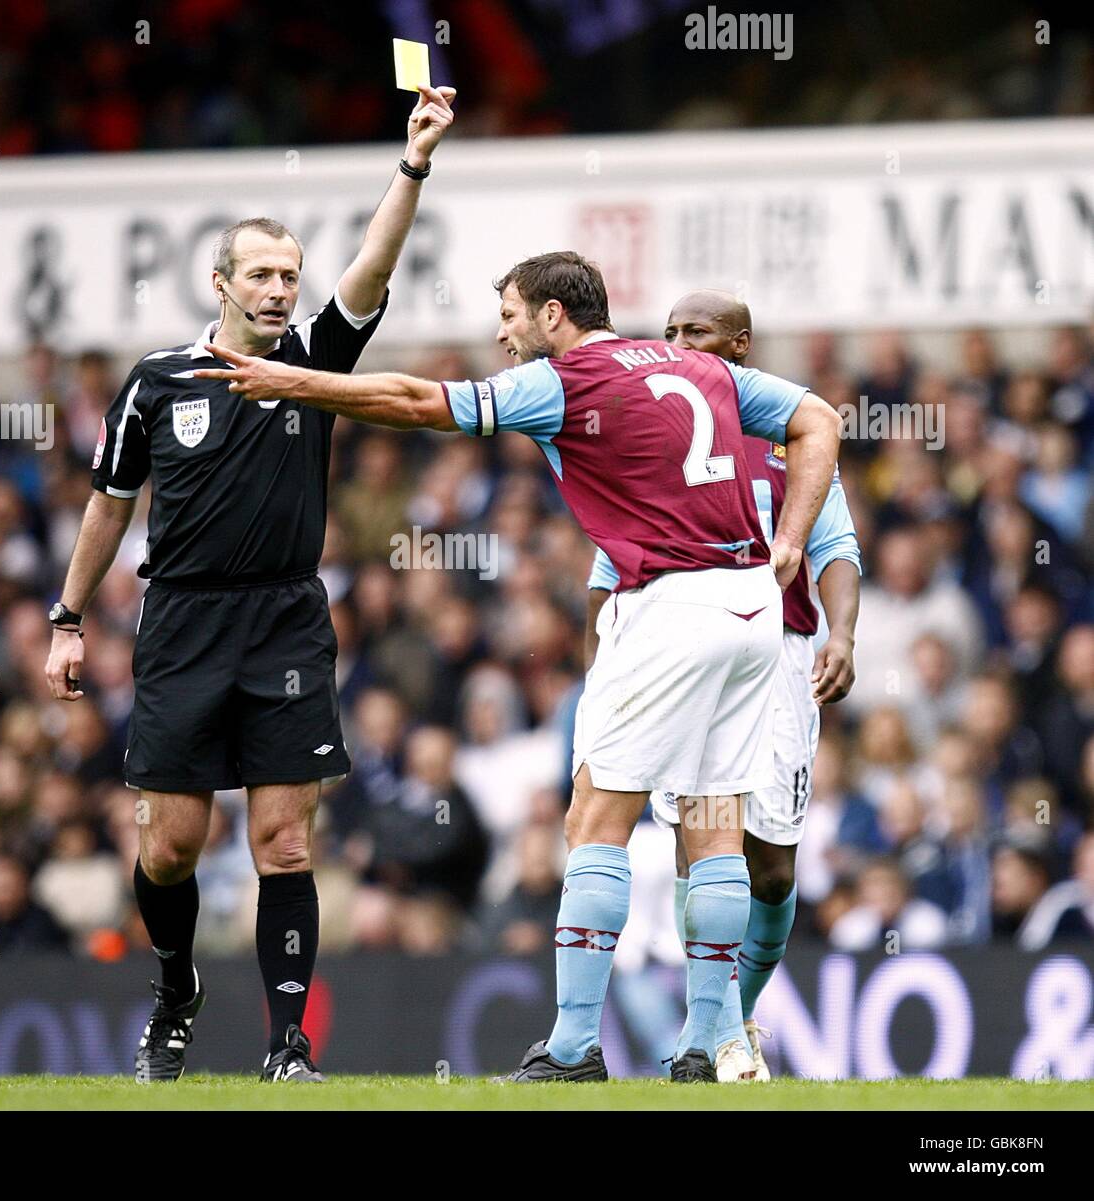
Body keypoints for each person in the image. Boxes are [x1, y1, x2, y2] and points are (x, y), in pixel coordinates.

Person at [193, 250, 842, 1082]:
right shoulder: (690, 362)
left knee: (593, 822)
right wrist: (788, 539)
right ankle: (702, 1046)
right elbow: (818, 417)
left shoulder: (567, 378)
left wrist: (298, 383)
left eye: (508, 316)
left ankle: (572, 1047)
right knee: (714, 825)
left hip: (669, 604)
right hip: (754, 607)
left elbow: (416, 400)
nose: (499, 334)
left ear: (552, 317)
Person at [44, 85, 457, 1083]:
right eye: (262, 274)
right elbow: (108, 504)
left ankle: (287, 1046)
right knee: (172, 846)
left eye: (289, 275)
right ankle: (175, 989)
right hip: (180, 620)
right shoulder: (157, 382)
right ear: (220, 281)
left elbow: (372, 267)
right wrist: (65, 616)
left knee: (282, 838)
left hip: (283, 619)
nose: (279, 289)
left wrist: (413, 164)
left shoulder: (314, 363)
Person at [584, 290, 861, 1081]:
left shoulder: (792, 437)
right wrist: (610, 646)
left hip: (781, 654)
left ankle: (734, 1015)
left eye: (694, 331)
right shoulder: (657, 432)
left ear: (740, 345)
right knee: (703, 842)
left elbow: (837, 546)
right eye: (669, 331)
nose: (677, 342)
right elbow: (611, 563)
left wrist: (841, 634)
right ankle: (707, 1036)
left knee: (771, 863)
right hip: (688, 648)